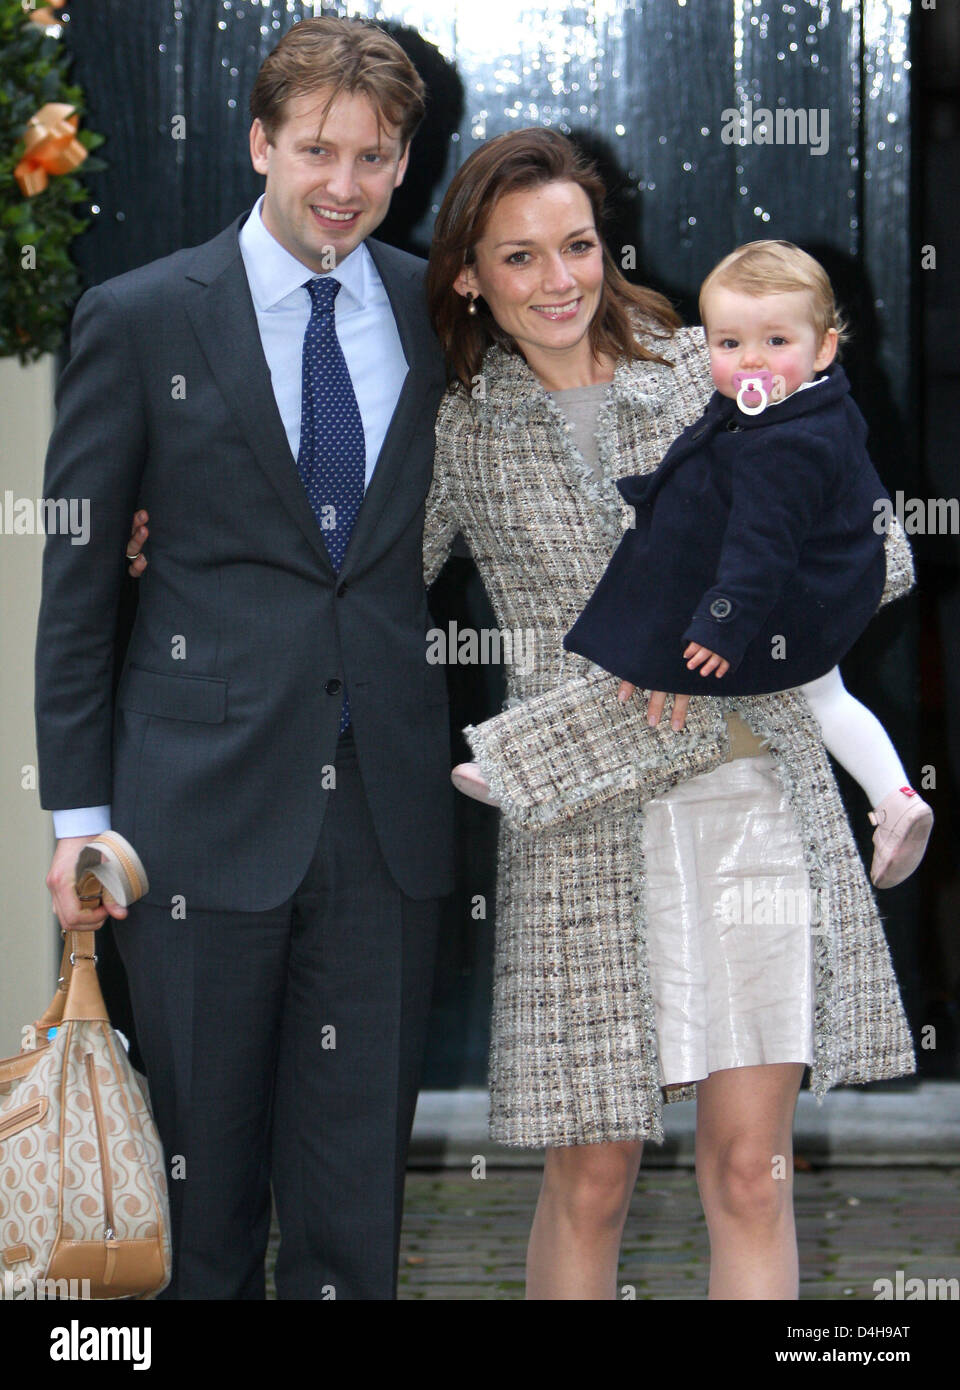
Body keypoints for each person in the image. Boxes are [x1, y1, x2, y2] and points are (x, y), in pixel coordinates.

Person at [419, 128, 916, 1299]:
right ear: (469, 277)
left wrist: (717, 643)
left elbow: (873, 555)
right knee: (589, 1182)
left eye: (578, 246)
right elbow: (354, 586)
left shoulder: (716, 358)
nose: (558, 281)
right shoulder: (456, 427)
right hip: (581, 822)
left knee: (752, 1172)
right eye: (520, 257)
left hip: (754, 795)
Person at [34, 16, 453, 1300]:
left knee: (350, 1198)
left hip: (383, 813)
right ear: (260, 140)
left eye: (375, 157)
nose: (345, 183)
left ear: (403, 165)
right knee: (199, 1196)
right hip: (193, 814)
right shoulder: (143, 317)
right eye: (318, 149)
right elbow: (80, 584)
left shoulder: (438, 316)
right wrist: (80, 817)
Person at [557, 240, 931, 891]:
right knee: (827, 697)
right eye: (729, 344)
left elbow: (761, 548)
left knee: (654, 660)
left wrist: (722, 623)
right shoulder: (802, 404)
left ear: (823, 349)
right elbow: (706, 454)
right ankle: (897, 798)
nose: (750, 359)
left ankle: (546, 772)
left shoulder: (781, 443)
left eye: (775, 340)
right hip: (830, 572)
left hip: (797, 587)